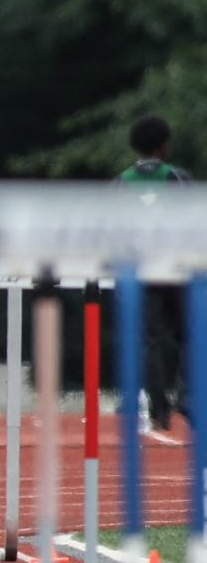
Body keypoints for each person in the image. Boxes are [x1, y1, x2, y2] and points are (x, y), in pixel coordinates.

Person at [116, 115, 191, 431]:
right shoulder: (177, 177)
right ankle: (189, 400)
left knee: (150, 341)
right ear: (164, 147)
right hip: (176, 266)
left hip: (141, 268)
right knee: (191, 334)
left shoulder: (121, 182)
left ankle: (159, 409)